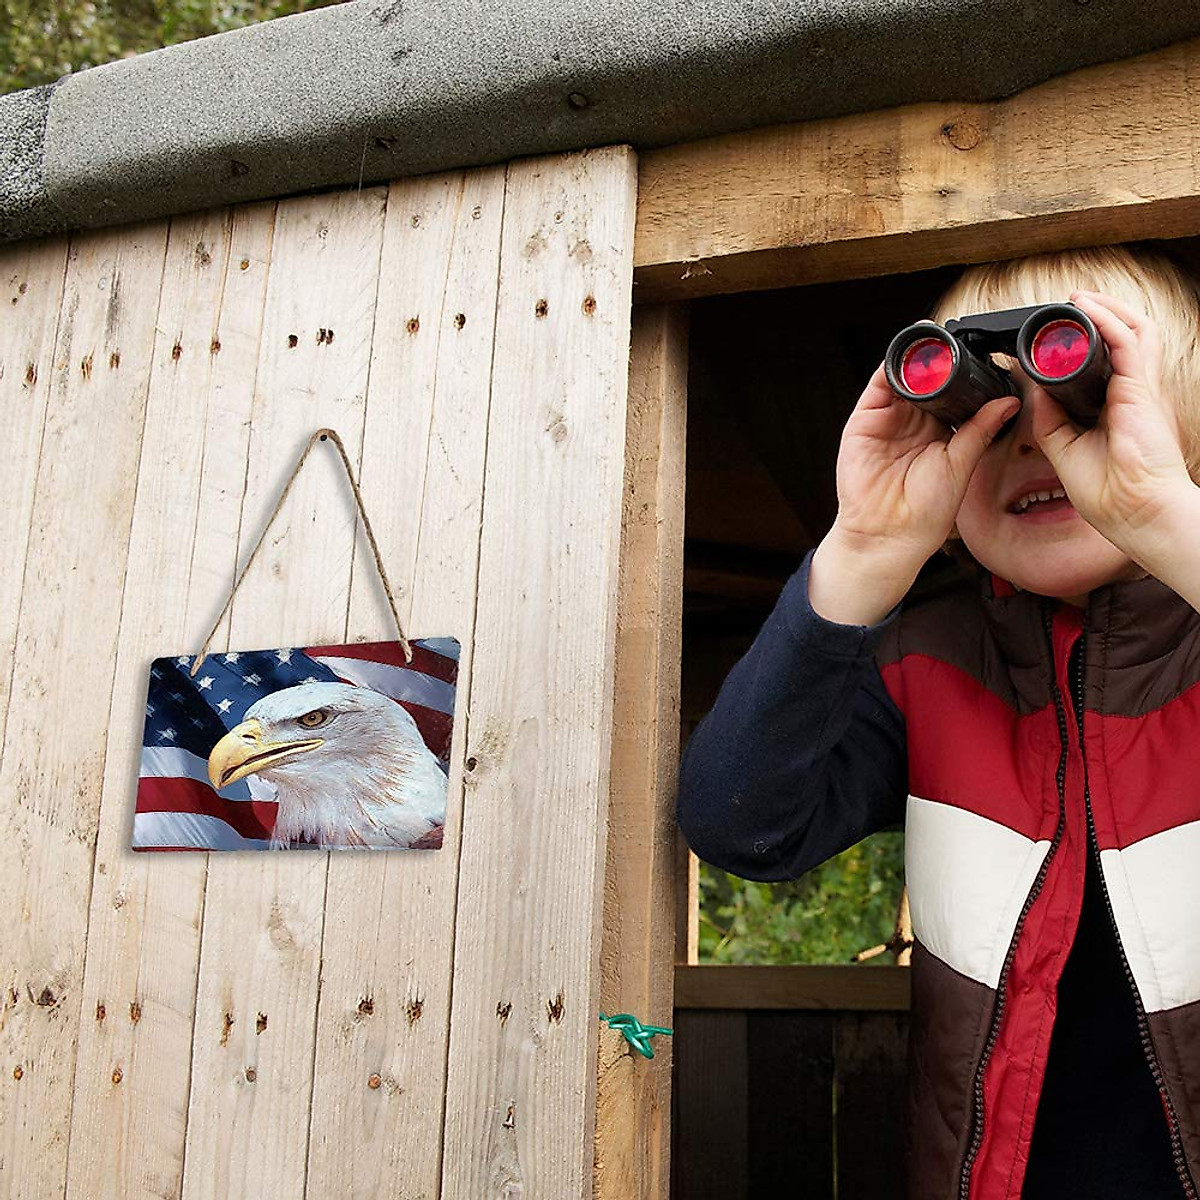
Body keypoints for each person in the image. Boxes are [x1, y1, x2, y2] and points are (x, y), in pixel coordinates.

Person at [674, 243, 1200, 1200]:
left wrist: (1168, 518)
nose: (1034, 442)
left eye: (1086, 405)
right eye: (984, 420)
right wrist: (863, 551)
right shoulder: (928, 664)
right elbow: (741, 823)